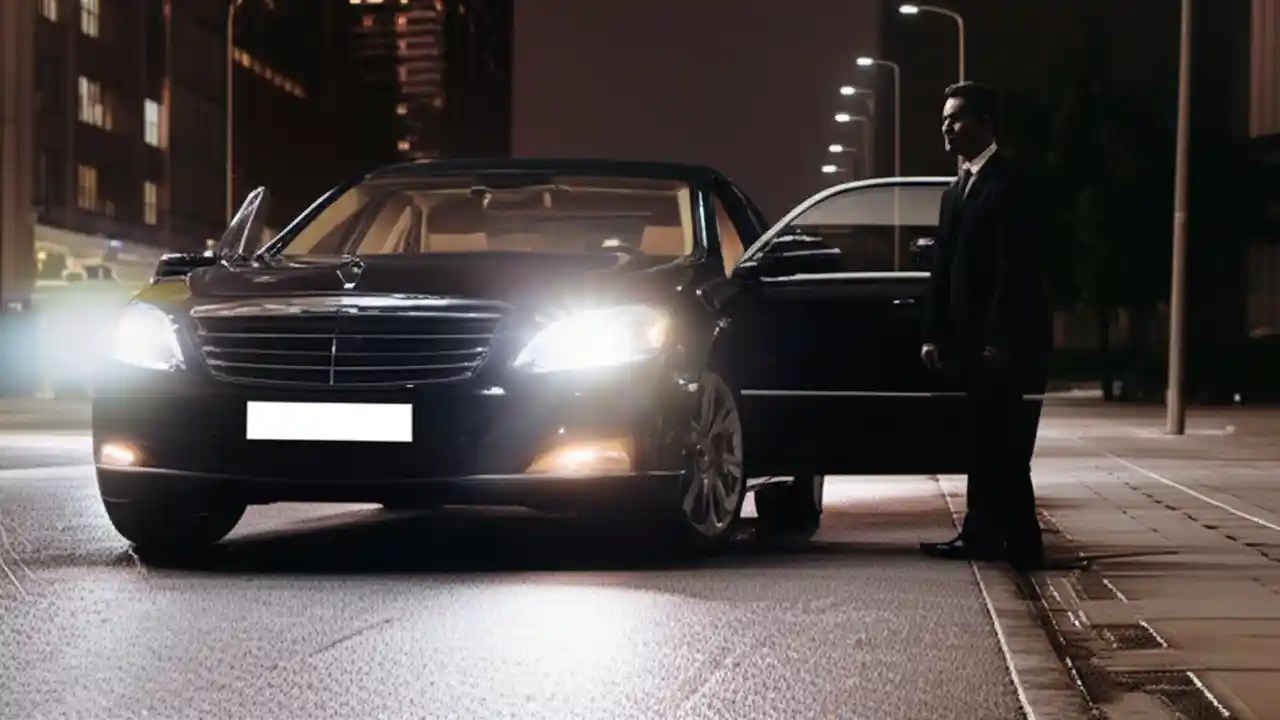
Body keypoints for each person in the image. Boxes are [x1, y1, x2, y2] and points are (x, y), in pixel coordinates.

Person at [917, 81, 1052, 570]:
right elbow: (943, 266)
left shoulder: (1011, 184)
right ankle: (982, 534)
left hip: (1006, 342)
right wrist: (933, 333)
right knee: (981, 440)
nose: (947, 129)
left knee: (1008, 445)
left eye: (956, 119)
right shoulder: (956, 191)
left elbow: (1014, 270)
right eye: (944, 121)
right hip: (968, 343)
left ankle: (1023, 543)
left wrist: (1000, 339)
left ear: (986, 123)